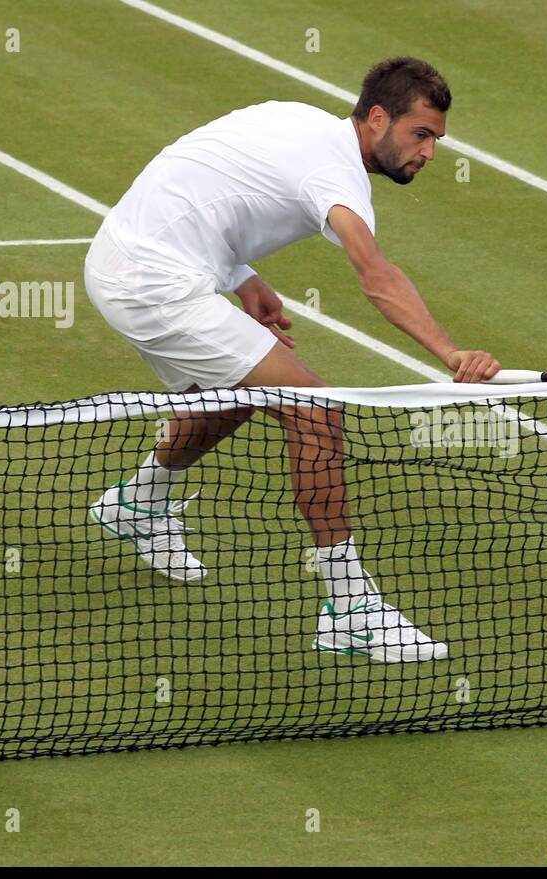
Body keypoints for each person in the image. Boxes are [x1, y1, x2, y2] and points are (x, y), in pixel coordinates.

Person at [83, 57, 499, 663]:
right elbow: (376, 277)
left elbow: (196, 176)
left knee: (245, 391)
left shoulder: (295, 118)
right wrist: (449, 351)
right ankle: (350, 610)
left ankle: (138, 503)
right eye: (421, 135)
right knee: (314, 410)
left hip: (128, 255)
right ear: (377, 118)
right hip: (152, 284)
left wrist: (239, 274)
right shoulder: (337, 181)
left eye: (436, 139)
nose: (429, 152)